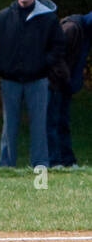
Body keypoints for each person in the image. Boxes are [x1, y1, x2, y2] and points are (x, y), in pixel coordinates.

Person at [0, 0, 63, 169]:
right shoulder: (3, 17)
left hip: (38, 80)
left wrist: (44, 65)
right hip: (10, 80)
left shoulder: (48, 18)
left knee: (39, 125)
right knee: (10, 125)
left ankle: (40, 165)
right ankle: (6, 165)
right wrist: (1, 68)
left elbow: (58, 47)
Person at [47, 14, 87, 168]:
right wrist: (64, 77)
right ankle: (54, 160)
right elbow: (54, 55)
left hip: (65, 84)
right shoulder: (71, 28)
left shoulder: (85, 32)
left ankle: (68, 160)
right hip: (54, 82)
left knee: (63, 122)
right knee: (53, 122)